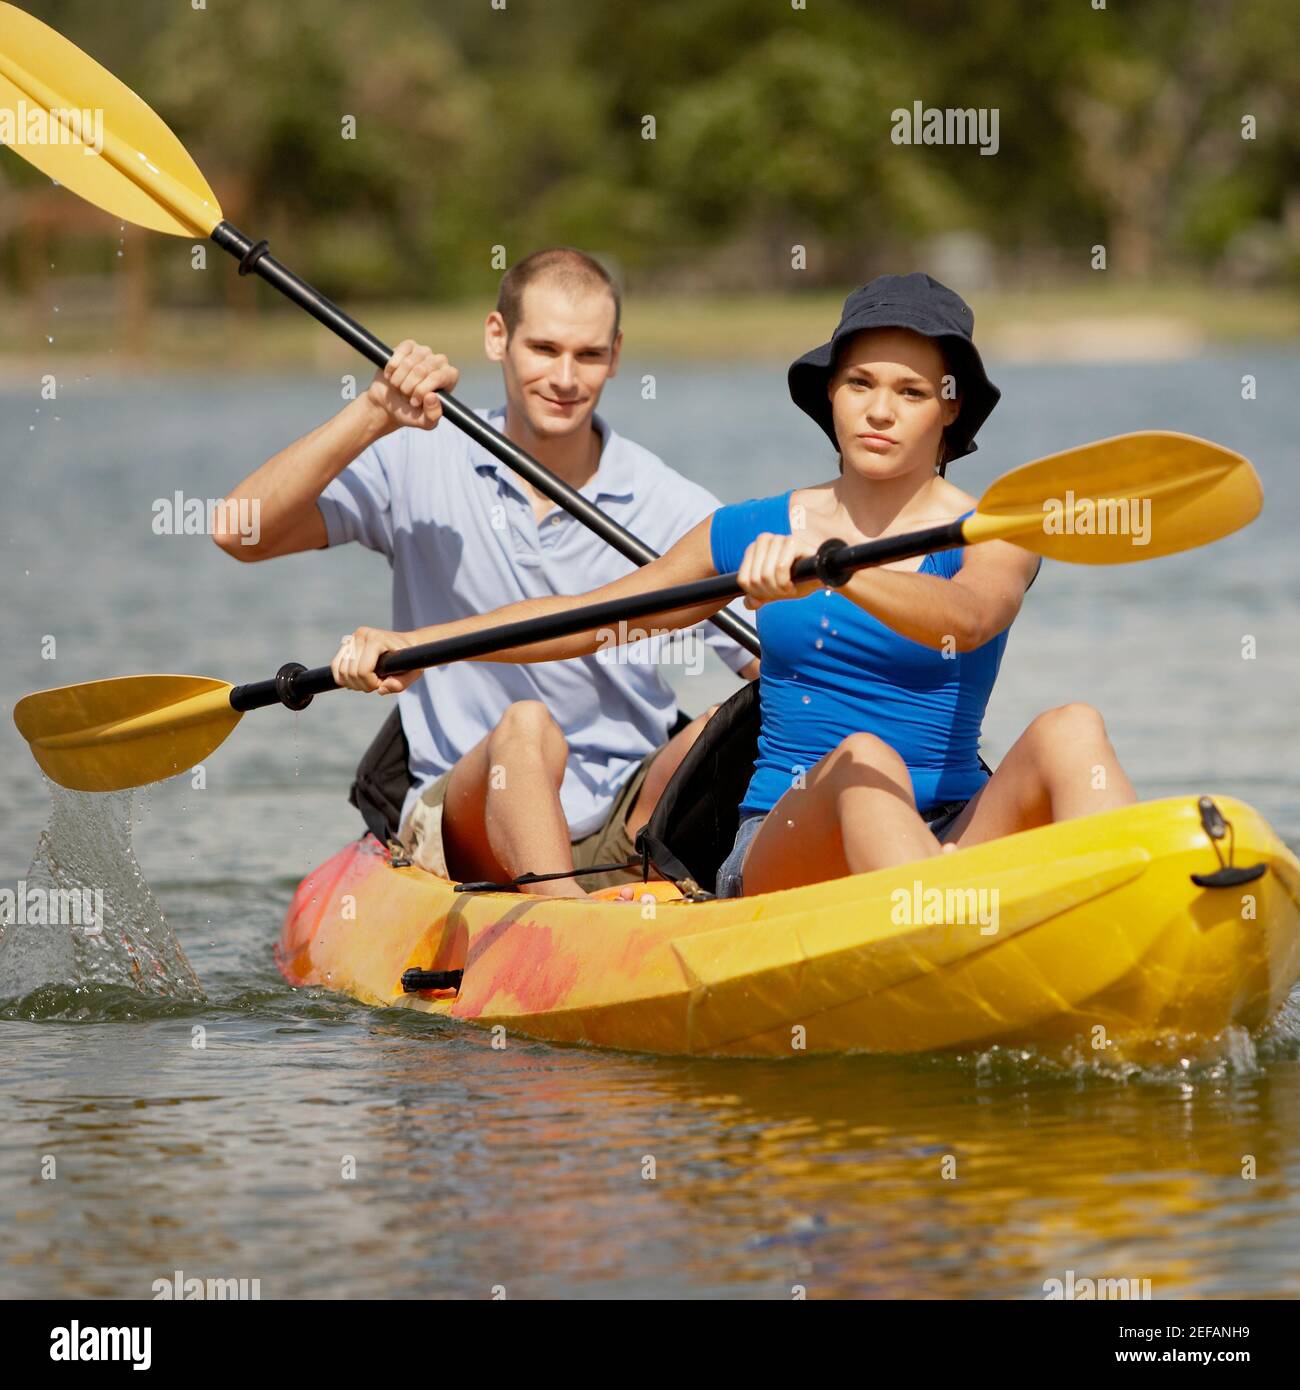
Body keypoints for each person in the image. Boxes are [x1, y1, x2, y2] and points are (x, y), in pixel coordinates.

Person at [333, 272, 1136, 898]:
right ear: (831, 394)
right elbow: (600, 616)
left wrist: (836, 571)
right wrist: (420, 646)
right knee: (863, 760)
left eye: (912, 392)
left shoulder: (996, 530)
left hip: (957, 823)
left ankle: (1141, 911)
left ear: (949, 413)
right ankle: (939, 929)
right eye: (860, 384)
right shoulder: (756, 530)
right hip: (786, 841)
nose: (880, 411)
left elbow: (966, 615)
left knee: (1073, 726)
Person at [214, 248, 758, 896]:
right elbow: (239, 532)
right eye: (544, 348)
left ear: (615, 355)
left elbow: (775, 666)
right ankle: (570, 932)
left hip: (629, 816)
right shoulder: (419, 457)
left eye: (587, 355)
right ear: (497, 337)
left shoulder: (670, 503)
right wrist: (374, 413)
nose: (565, 377)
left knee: (739, 712)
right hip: (470, 809)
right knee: (527, 729)